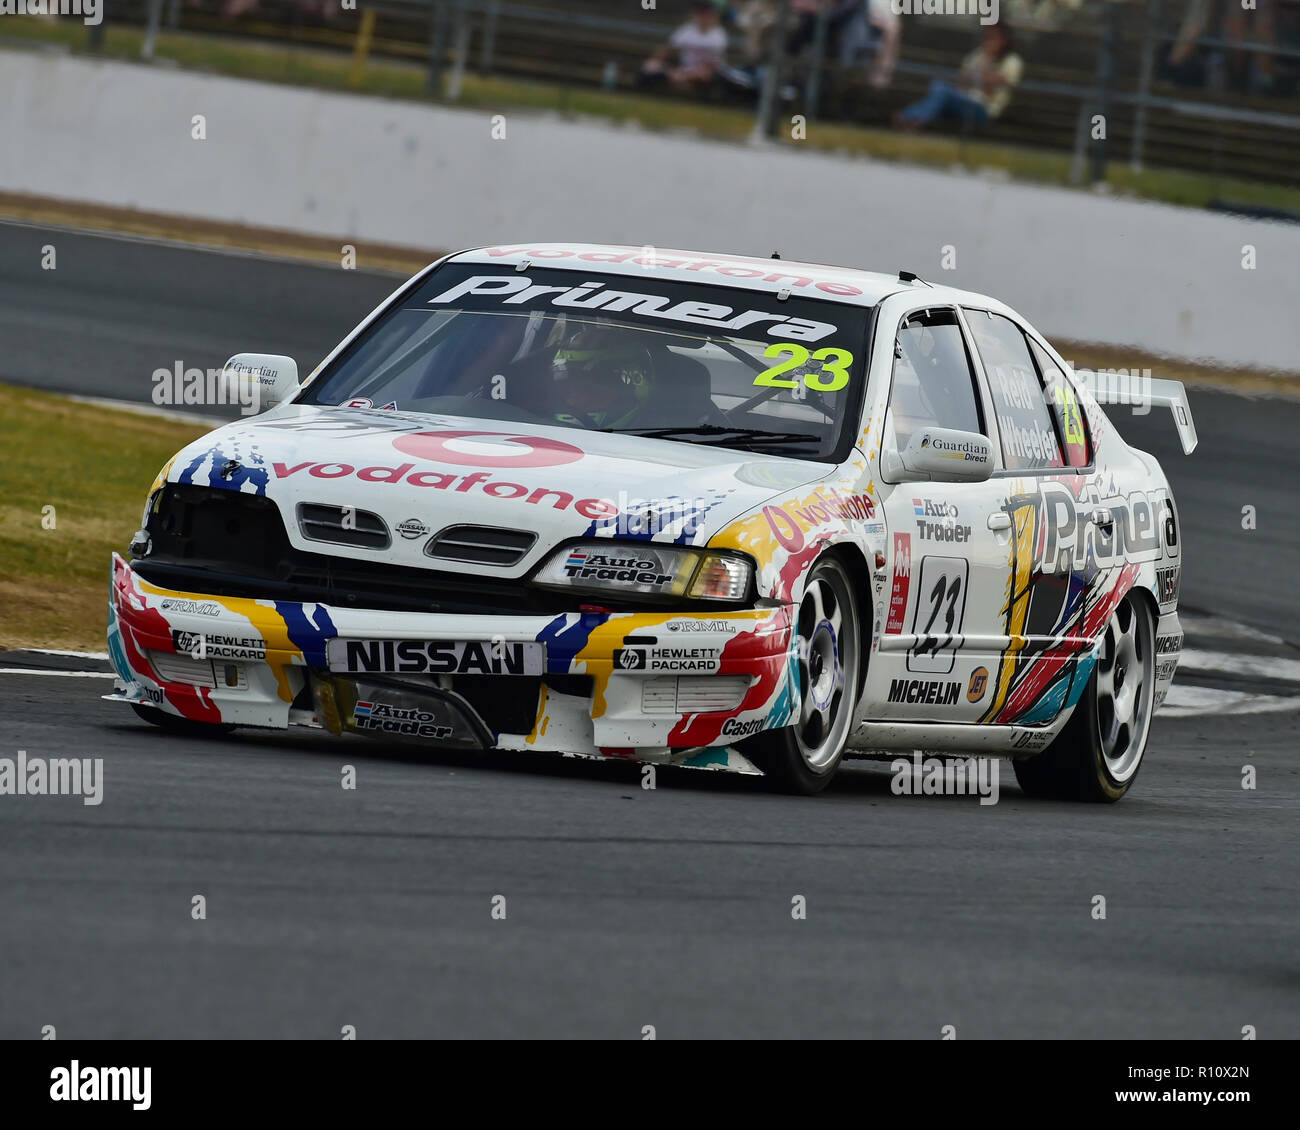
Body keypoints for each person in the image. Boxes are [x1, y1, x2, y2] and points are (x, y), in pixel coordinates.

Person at [895, 24, 1023, 132]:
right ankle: (913, 121)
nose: (988, 41)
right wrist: (982, 81)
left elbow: (993, 82)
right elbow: (961, 79)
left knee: (941, 92)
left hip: (983, 110)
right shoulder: (978, 54)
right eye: (986, 37)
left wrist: (986, 60)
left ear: (1004, 40)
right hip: (963, 100)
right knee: (939, 89)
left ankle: (909, 119)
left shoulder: (1012, 61)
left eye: (992, 38)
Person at [639, 2, 730, 95]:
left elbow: (713, 65)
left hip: (705, 73)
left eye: (708, 14)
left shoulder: (719, 34)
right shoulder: (686, 30)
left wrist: (689, 73)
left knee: (704, 74)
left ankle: (680, 80)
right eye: (702, 14)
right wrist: (654, 61)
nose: (705, 18)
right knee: (651, 65)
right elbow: (668, 50)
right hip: (683, 70)